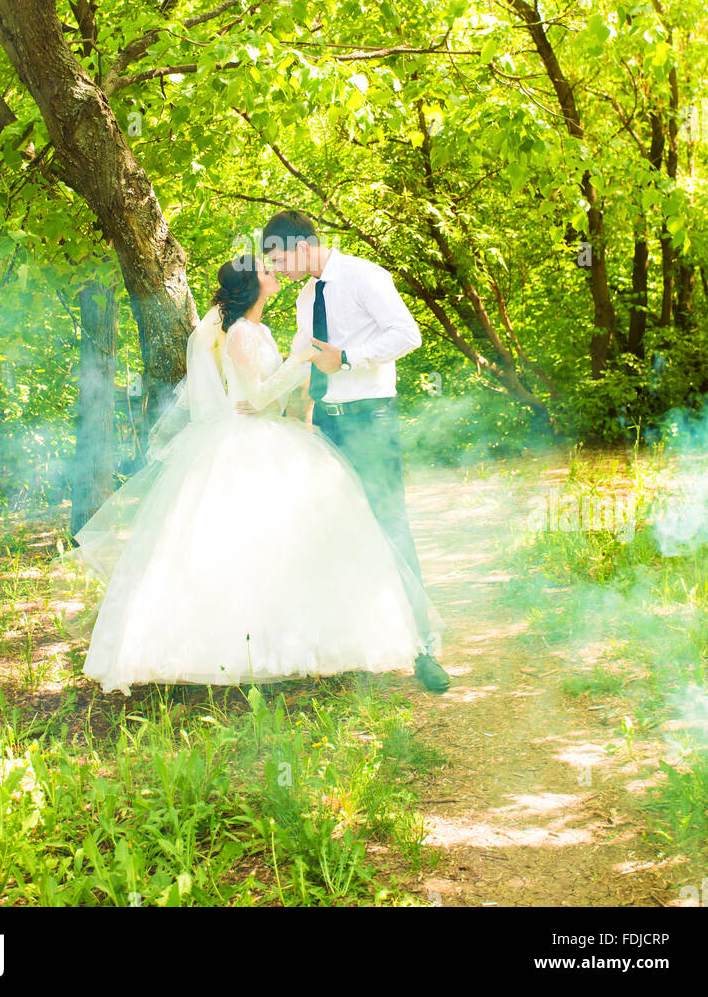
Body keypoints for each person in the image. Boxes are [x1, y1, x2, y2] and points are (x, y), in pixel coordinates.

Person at [54, 253, 443, 695]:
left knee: (294, 542)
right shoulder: (238, 332)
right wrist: (300, 362)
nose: (273, 272)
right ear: (249, 285)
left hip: (275, 431)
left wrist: (298, 384)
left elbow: (271, 396)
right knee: (246, 546)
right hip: (247, 437)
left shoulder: (260, 329)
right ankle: (239, 650)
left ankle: (301, 643)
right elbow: (255, 397)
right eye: (265, 270)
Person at [261, 209, 450, 694]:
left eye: (279, 258)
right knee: (337, 529)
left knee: (390, 521)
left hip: (371, 417)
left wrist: (346, 359)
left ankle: (426, 646)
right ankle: (356, 644)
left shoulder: (364, 276)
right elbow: (301, 355)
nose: (277, 270)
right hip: (327, 422)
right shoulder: (307, 297)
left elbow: (409, 334)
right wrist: (260, 395)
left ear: (302, 244)